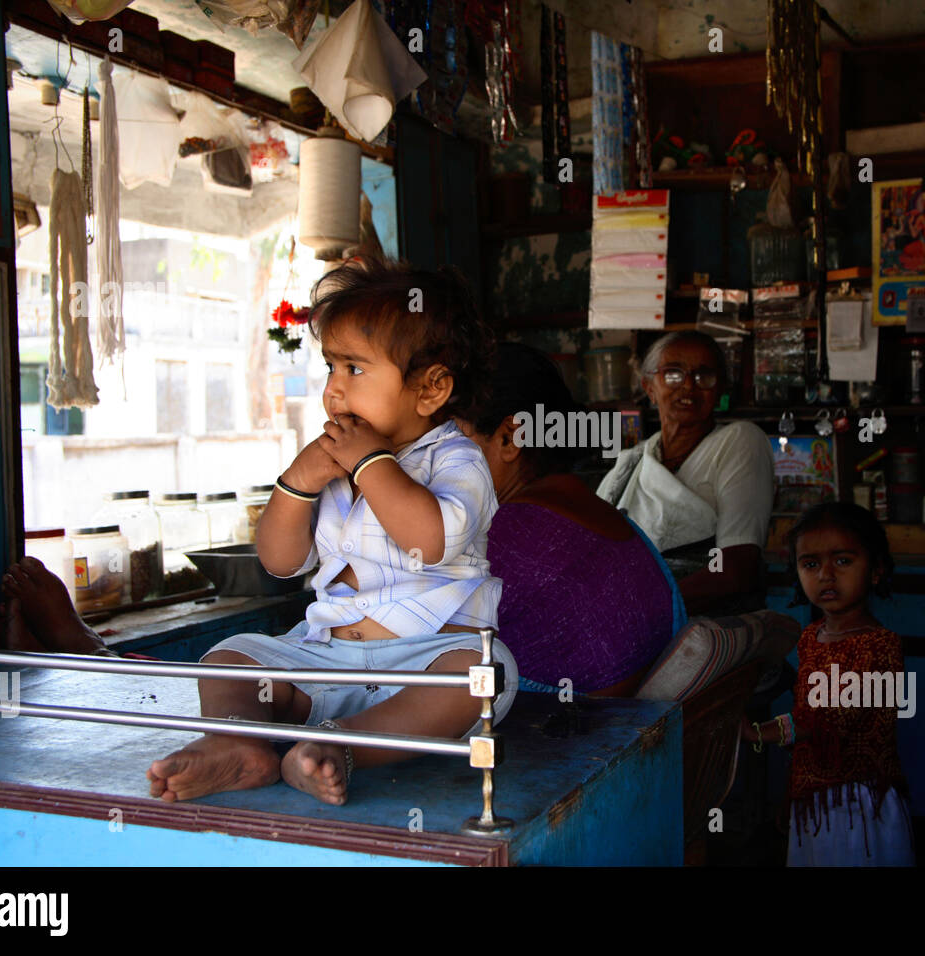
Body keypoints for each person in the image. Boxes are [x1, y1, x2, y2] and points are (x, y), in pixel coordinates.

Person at [143, 257, 514, 806]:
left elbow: (429, 542)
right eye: (330, 369)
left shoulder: (457, 461)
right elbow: (279, 560)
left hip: (422, 669)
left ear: (431, 389)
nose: (334, 392)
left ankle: (339, 749)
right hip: (323, 661)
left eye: (355, 370)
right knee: (229, 660)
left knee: (485, 674)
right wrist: (297, 484)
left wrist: (372, 466)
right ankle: (238, 744)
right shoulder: (336, 461)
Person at [460, 342, 683, 697]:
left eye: (449, 442)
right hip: (638, 735)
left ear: (510, 437)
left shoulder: (505, 536)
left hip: (578, 744)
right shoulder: (595, 511)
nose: (431, 464)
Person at [743, 502, 913, 866]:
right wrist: (793, 794)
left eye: (843, 561)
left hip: (859, 803)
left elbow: (825, 721)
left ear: (876, 570)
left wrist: (757, 733)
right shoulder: (810, 637)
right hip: (815, 798)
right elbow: (807, 723)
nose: (825, 576)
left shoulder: (879, 646)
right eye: (810, 564)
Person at [596, 331, 775, 616]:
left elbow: (737, 568)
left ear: (721, 389)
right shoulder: (629, 464)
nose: (689, 386)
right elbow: (592, 555)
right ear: (649, 387)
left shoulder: (739, 441)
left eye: (705, 376)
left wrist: (648, 609)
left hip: (702, 628)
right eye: (673, 374)